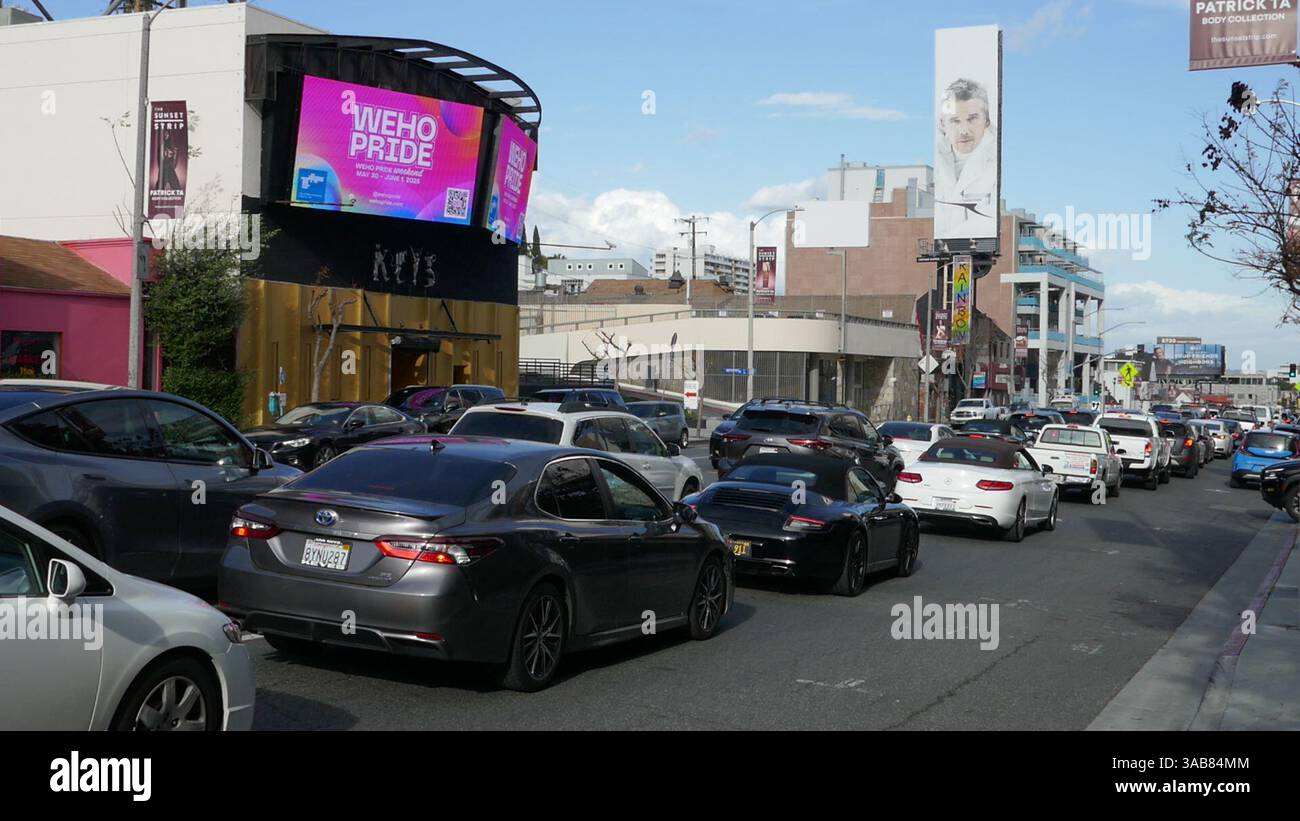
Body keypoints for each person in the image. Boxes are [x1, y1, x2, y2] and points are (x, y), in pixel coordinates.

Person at [935, 78, 998, 239]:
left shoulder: (998, 159)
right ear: (943, 123)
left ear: (987, 120)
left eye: (972, 119)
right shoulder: (935, 158)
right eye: (955, 121)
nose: (964, 130)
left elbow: (986, 224)